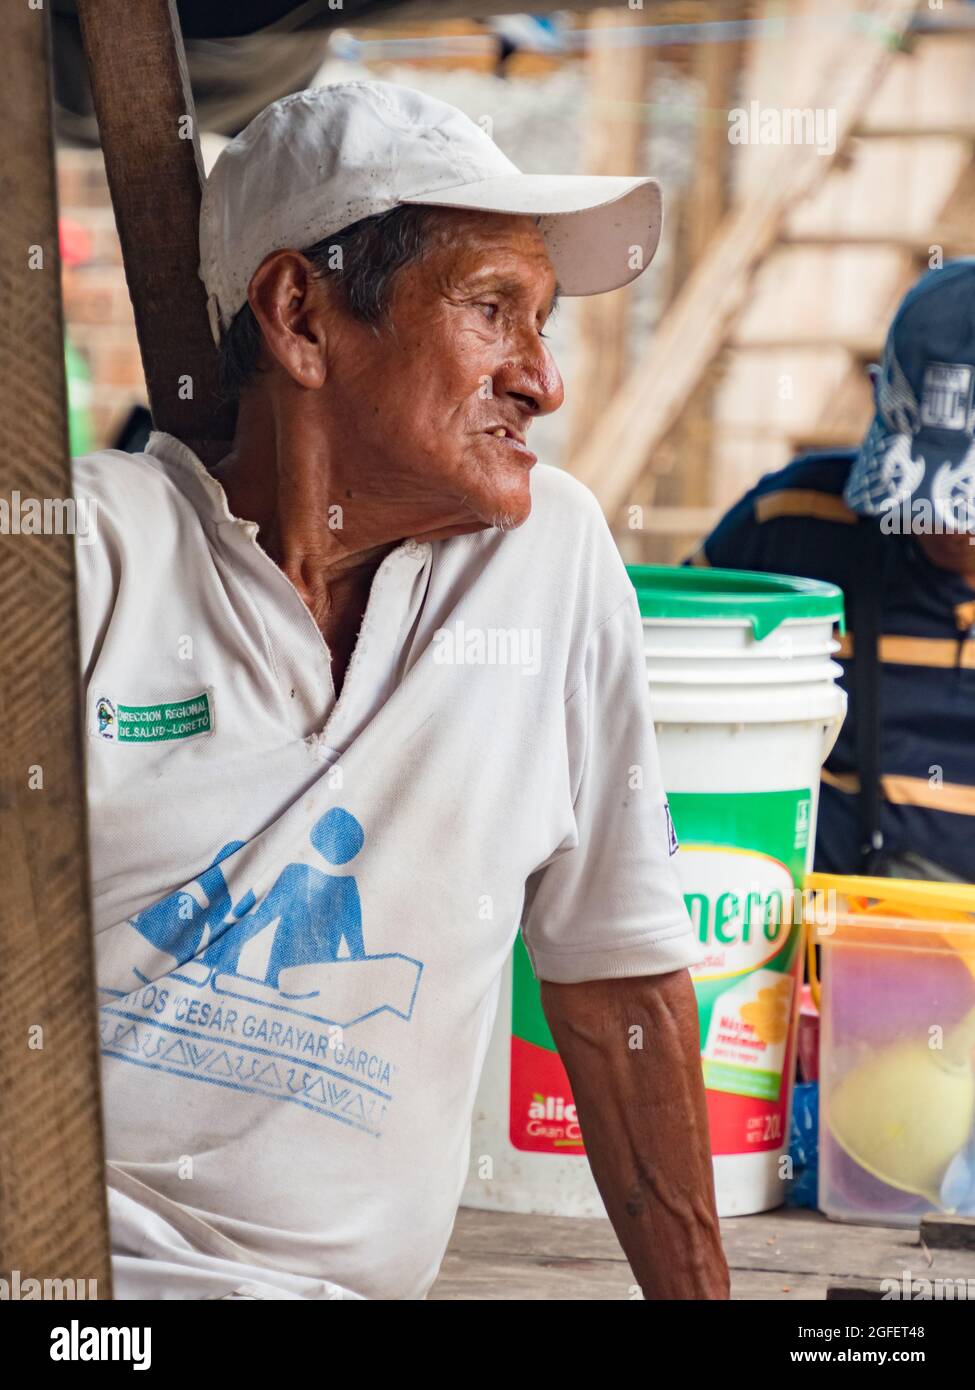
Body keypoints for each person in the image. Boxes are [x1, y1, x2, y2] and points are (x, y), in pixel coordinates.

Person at [74, 81, 728, 1300]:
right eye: (494, 311)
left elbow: (617, 981)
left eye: (545, 324)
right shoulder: (92, 552)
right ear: (301, 317)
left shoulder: (551, 559)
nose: (544, 381)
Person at [689, 261, 975, 882]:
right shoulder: (788, 524)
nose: (954, 529)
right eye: (928, 495)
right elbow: (649, 686)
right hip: (801, 960)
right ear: (879, 397)